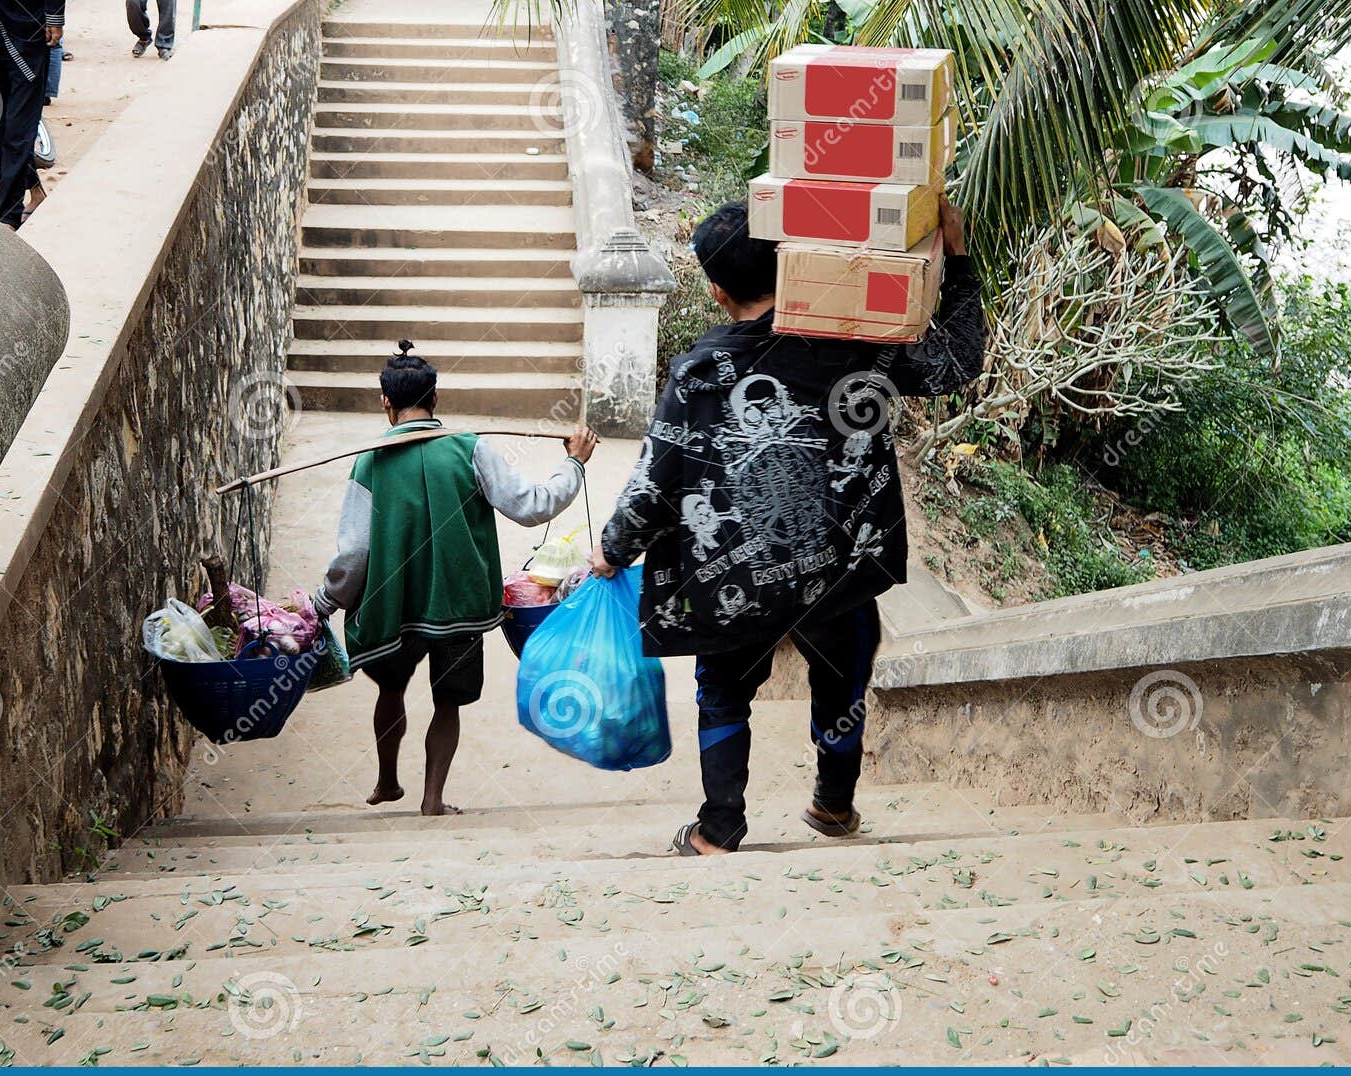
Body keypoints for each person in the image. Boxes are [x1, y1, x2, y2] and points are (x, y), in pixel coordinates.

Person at [593, 198, 985, 856]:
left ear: (717, 292)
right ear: (793, 263)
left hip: (736, 576)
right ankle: (833, 802)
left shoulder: (697, 375)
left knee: (723, 689)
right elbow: (955, 362)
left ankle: (719, 826)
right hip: (837, 563)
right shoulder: (853, 343)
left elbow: (655, 486)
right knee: (841, 675)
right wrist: (960, 259)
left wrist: (613, 550)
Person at [312, 340, 599, 817]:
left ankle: (387, 780)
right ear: (435, 398)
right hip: (458, 606)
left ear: (385, 402)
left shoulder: (370, 462)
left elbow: (356, 553)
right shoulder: (471, 449)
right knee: (448, 703)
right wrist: (574, 463)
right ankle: (432, 798)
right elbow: (531, 506)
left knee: (390, 690)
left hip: (394, 605)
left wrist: (323, 603)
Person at [0, 0, 61, 228]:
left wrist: (55, 17)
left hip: (25, 33)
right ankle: (35, 191)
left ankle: (8, 214)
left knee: (18, 129)